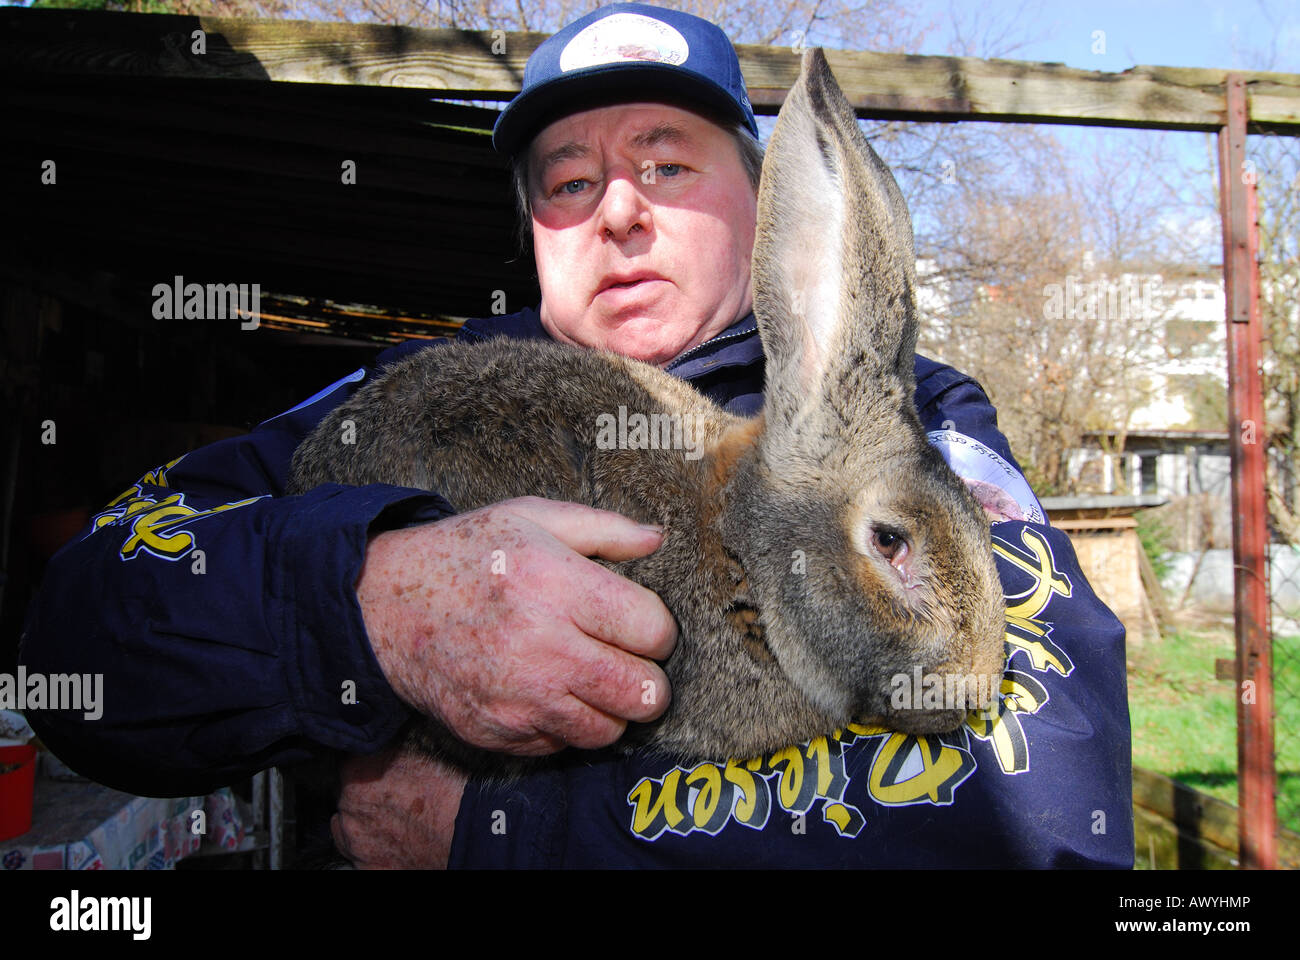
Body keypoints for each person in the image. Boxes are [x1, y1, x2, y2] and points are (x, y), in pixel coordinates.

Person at [19, 3, 1133, 868]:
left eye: (666, 163)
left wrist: (504, 835)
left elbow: (1049, 800)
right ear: (531, 234)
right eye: (568, 180)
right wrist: (361, 597)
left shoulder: (903, 421)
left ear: (767, 210)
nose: (617, 209)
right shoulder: (416, 384)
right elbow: (84, 631)